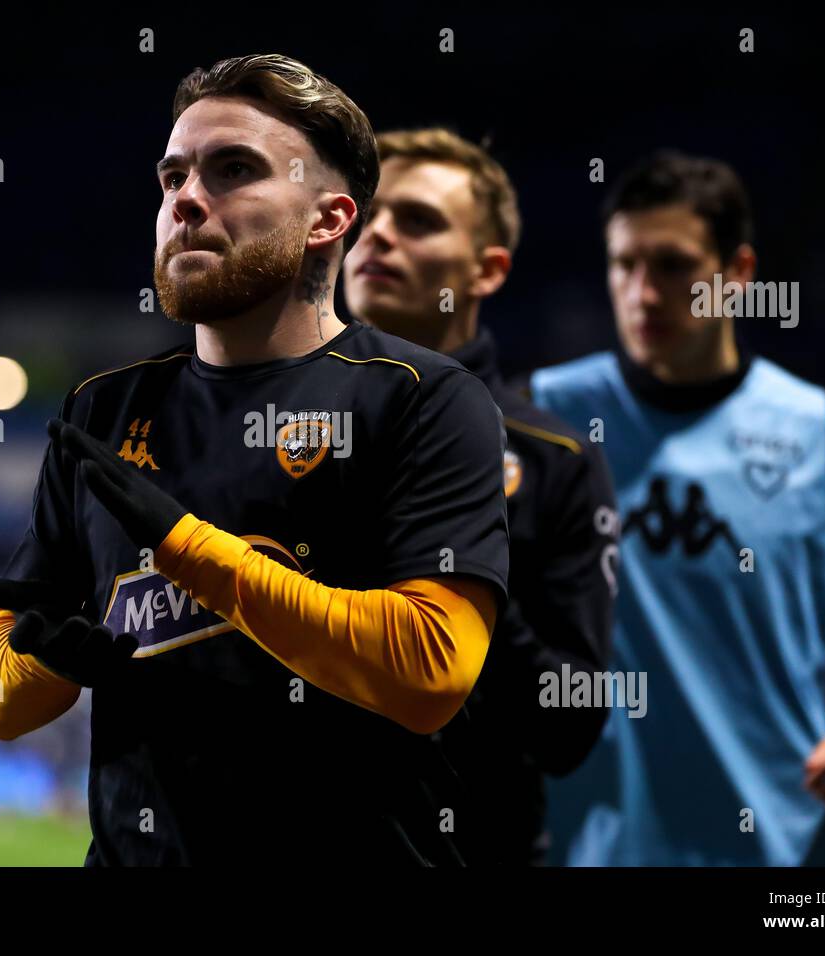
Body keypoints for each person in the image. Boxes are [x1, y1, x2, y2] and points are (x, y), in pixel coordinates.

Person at [0, 55, 510, 865]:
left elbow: (431, 672)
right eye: (173, 176)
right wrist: (44, 662)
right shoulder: (102, 411)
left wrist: (188, 549)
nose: (186, 199)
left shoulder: (423, 400)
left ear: (328, 220)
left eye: (233, 171)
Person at [533, 151, 825, 865]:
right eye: (624, 265)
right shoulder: (543, 417)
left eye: (673, 265)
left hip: (781, 846)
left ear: (738, 276)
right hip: (592, 848)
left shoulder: (822, 430)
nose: (644, 293)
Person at [343, 128, 617, 864]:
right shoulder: (261, 416)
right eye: (366, 217)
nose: (379, 237)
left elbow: (573, 726)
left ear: (487, 269)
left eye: (419, 220)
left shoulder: (553, 457)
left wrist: (468, 556)